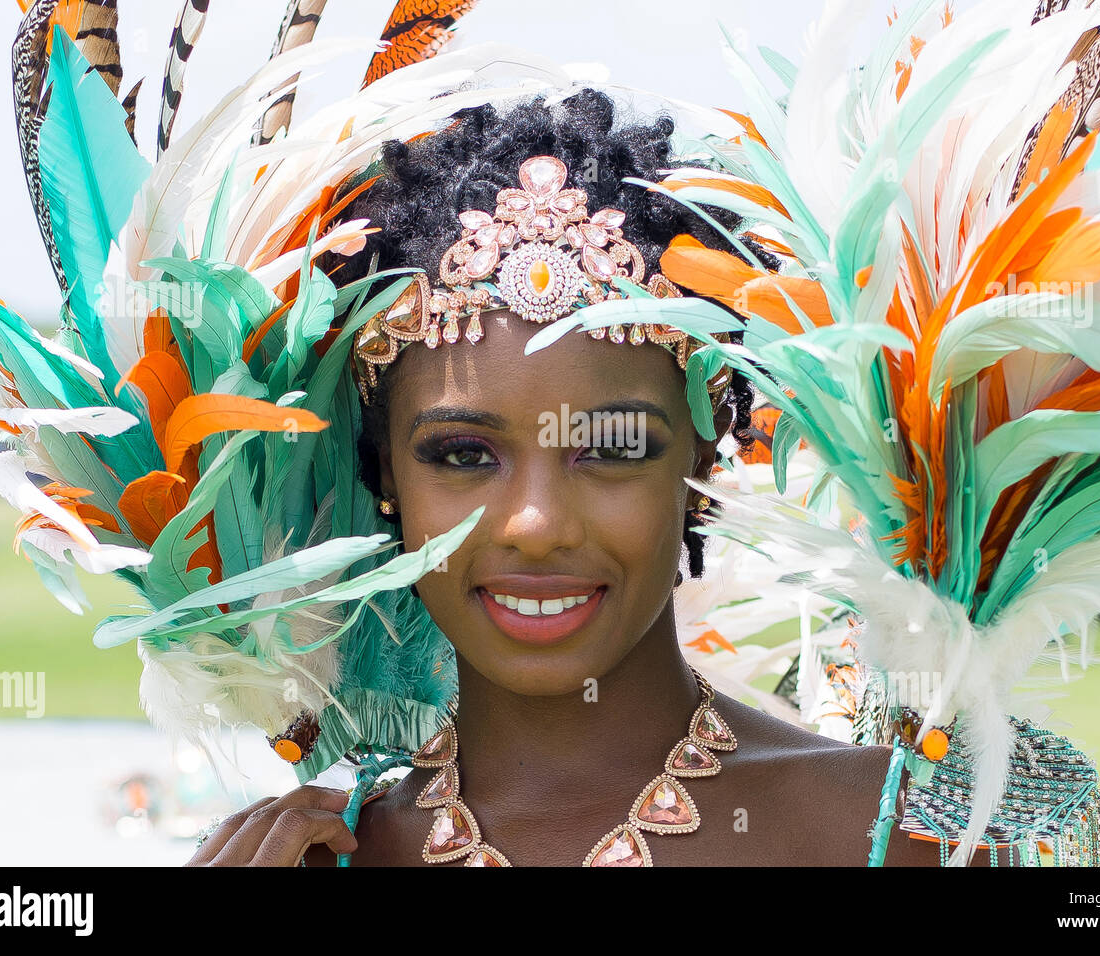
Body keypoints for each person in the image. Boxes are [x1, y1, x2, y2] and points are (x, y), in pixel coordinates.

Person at [186, 89, 972, 867]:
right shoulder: (307, 858)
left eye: (612, 449)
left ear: (700, 461)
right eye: (463, 455)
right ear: (385, 473)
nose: (537, 523)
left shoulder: (902, 838)